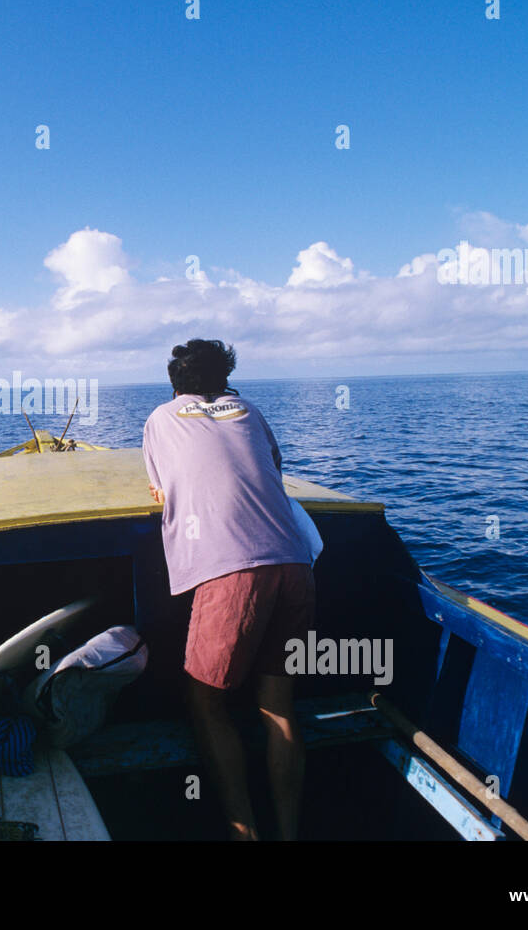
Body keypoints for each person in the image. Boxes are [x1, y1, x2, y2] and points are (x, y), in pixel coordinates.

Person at [142, 339, 316, 841]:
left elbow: (161, 488)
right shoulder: (252, 411)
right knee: (278, 705)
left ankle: (245, 834)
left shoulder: (160, 419)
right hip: (295, 564)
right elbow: (274, 474)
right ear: (225, 379)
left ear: (174, 383)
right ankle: (289, 834)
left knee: (205, 702)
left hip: (232, 572)